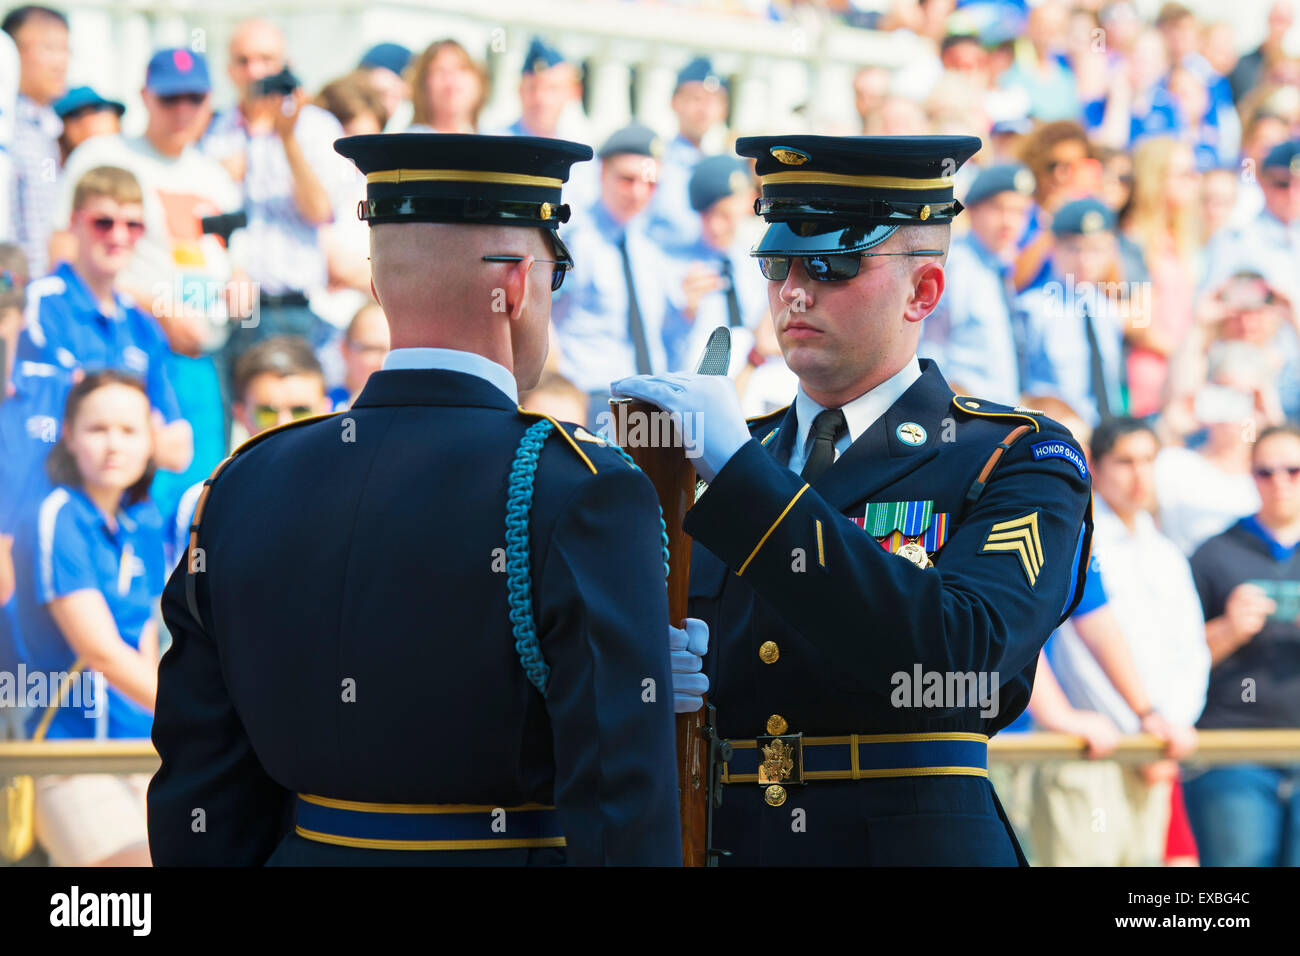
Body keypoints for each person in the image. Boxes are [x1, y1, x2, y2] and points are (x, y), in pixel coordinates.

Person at [148, 132, 693, 866]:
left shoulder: (247, 480)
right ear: (520, 284)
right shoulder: (579, 490)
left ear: (379, 284)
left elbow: (200, 787)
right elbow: (623, 807)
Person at [613, 134, 1094, 866]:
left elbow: (959, 656)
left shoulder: (1015, 454)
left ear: (923, 291)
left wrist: (741, 475)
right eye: (778, 263)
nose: (795, 291)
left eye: (834, 264)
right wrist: (647, 677)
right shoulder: (726, 457)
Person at [50, 49, 242, 519]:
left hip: (201, 362)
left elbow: (233, 265)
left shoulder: (214, 175)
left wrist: (240, 291)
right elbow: (63, 252)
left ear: (209, 101)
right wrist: (154, 307)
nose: (182, 109)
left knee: (199, 505)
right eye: (169, 97)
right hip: (125, 350)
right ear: (144, 97)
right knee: (125, 498)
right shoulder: (106, 154)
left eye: (193, 97)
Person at [10, 370, 166, 866]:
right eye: (98, 430)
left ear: (150, 441)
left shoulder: (143, 523)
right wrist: (198, 716)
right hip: (69, 757)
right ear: (70, 436)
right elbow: (100, 652)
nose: (113, 445)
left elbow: (141, 641)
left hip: (141, 749)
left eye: (129, 430)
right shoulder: (57, 513)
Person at [1048, 417, 1209, 865]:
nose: (1140, 475)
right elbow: (1080, 652)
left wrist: (1167, 728)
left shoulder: (1166, 551)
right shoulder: (1077, 540)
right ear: (1095, 467)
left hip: (1157, 744)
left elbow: (1190, 651)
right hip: (1096, 747)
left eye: (1148, 460)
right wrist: (1143, 728)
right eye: (1125, 461)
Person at [200, 17, 355, 413]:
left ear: (285, 64)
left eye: (266, 59)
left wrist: (285, 138)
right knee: (227, 430)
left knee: (285, 430)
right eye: (244, 60)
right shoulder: (213, 129)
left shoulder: (316, 127)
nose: (255, 71)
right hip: (224, 311)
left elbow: (319, 210)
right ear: (230, 69)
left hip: (290, 311)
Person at [17, 165, 192, 479]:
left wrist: (96, 424)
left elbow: (179, 449)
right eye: (103, 223)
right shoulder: (38, 306)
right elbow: (38, 426)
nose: (119, 236)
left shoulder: (143, 327)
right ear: (73, 222)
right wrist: (139, 434)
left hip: (124, 515)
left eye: (134, 225)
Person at [1185, 423, 1300, 866]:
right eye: (1265, 472)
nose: (1280, 483)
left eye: (1293, 470)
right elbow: (1174, 664)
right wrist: (1228, 629)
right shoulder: (1213, 553)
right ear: (1251, 476)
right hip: (1230, 750)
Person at [551, 123, 680, 420]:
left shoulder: (650, 250)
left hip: (649, 403)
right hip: (591, 398)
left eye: (650, 183)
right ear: (602, 173)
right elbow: (542, 319)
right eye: (627, 179)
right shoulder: (574, 242)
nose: (638, 192)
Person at [169, 335, 330, 567]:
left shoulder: (357, 495)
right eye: (267, 412)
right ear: (240, 414)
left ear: (327, 409)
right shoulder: (204, 501)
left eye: (301, 411)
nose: (283, 423)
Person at [919, 162, 1036, 403]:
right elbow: (929, 350)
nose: (1009, 222)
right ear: (972, 210)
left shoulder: (1001, 268)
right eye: (997, 208)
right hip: (961, 415)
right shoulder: (954, 267)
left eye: (1019, 212)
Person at [1020, 197, 1128, 426]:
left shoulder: (1107, 309)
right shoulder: (1032, 310)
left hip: (1103, 436)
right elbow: (1018, 386)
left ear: (1111, 251)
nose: (1084, 261)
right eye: (1073, 249)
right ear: (1054, 249)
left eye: (1095, 250)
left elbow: (1111, 386)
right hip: (1053, 432)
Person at [663, 154, 767, 374]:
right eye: (705, 215)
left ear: (748, 201)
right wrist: (683, 315)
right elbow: (662, 355)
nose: (715, 227)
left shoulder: (756, 263)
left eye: (725, 215)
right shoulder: (677, 267)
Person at [2, 5, 67, 277]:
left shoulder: (46, 129)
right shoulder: (7, 126)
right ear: (10, 56)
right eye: (49, 49)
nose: (61, 62)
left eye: (66, 50)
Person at [646, 57, 729, 248]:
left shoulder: (723, 166)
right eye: (695, 98)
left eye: (713, 100)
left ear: (723, 109)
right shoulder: (654, 162)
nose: (704, 109)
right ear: (675, 102)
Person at [328, 302, 388, 411]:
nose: (385, 361)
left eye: (394, 350)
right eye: (372, 349)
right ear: (344, 350)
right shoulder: (321, 407)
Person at [52, 85, 122, 163]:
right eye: (74, 114)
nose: (88, 121)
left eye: (98, 108)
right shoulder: (56, 169)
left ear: (116, 117)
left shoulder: (135, 150)